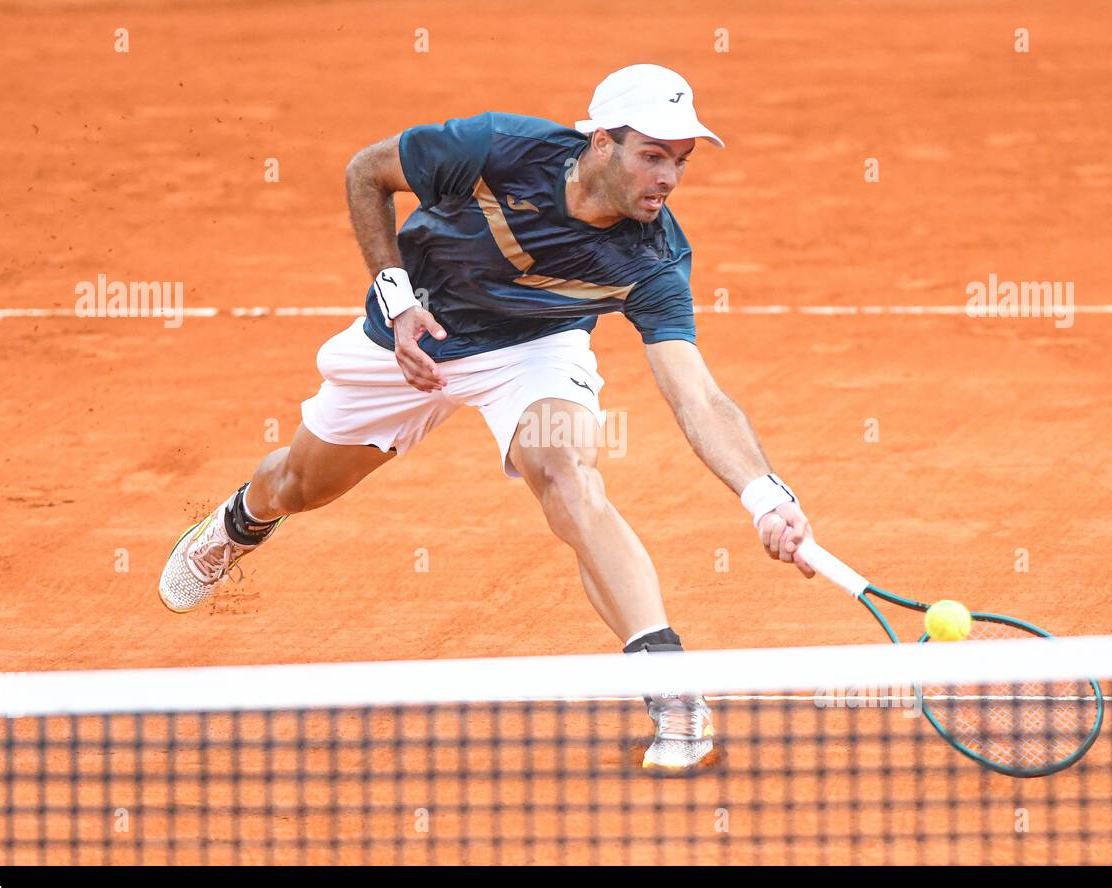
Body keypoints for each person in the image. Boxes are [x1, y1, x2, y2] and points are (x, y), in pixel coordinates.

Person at [159, 64, 815, 772]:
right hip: (418, 333)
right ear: (600, 143)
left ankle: (671, 691)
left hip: (534, 348)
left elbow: (698, 397)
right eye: (652, 155)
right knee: (300, 485)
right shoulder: (497, 148)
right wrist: (396, 299)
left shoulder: (652, 260)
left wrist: (764, 496)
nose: (669, 180)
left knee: (568, 477)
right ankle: (239, 522)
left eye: (680, 162)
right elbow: (366, 173)